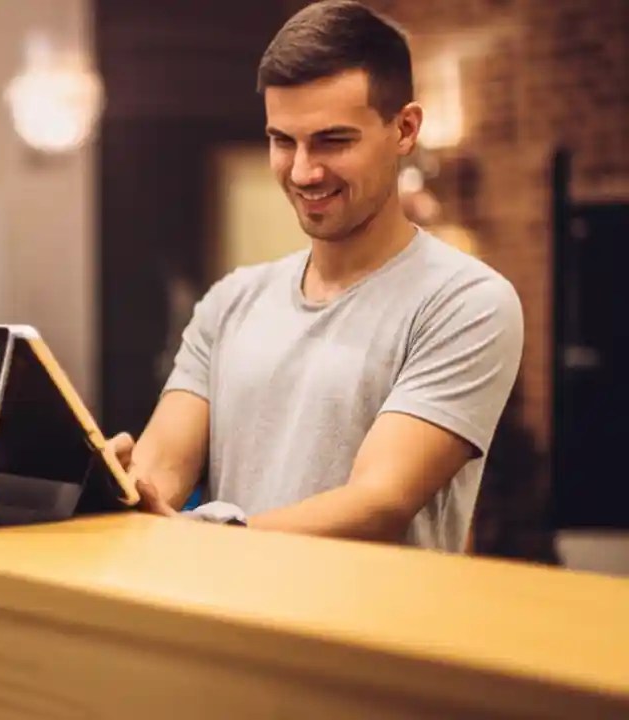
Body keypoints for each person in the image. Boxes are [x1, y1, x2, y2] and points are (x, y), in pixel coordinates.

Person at [109, 0, 523, 552]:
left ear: (404, 129)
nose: (303, 171)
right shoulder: (231, 300)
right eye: (283, 141)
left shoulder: (467, 302)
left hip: (364, 637)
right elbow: (160, 465)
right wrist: (121, 489)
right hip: (223, 629)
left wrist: (206, 536)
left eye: (333, 140)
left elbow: (379, 501)